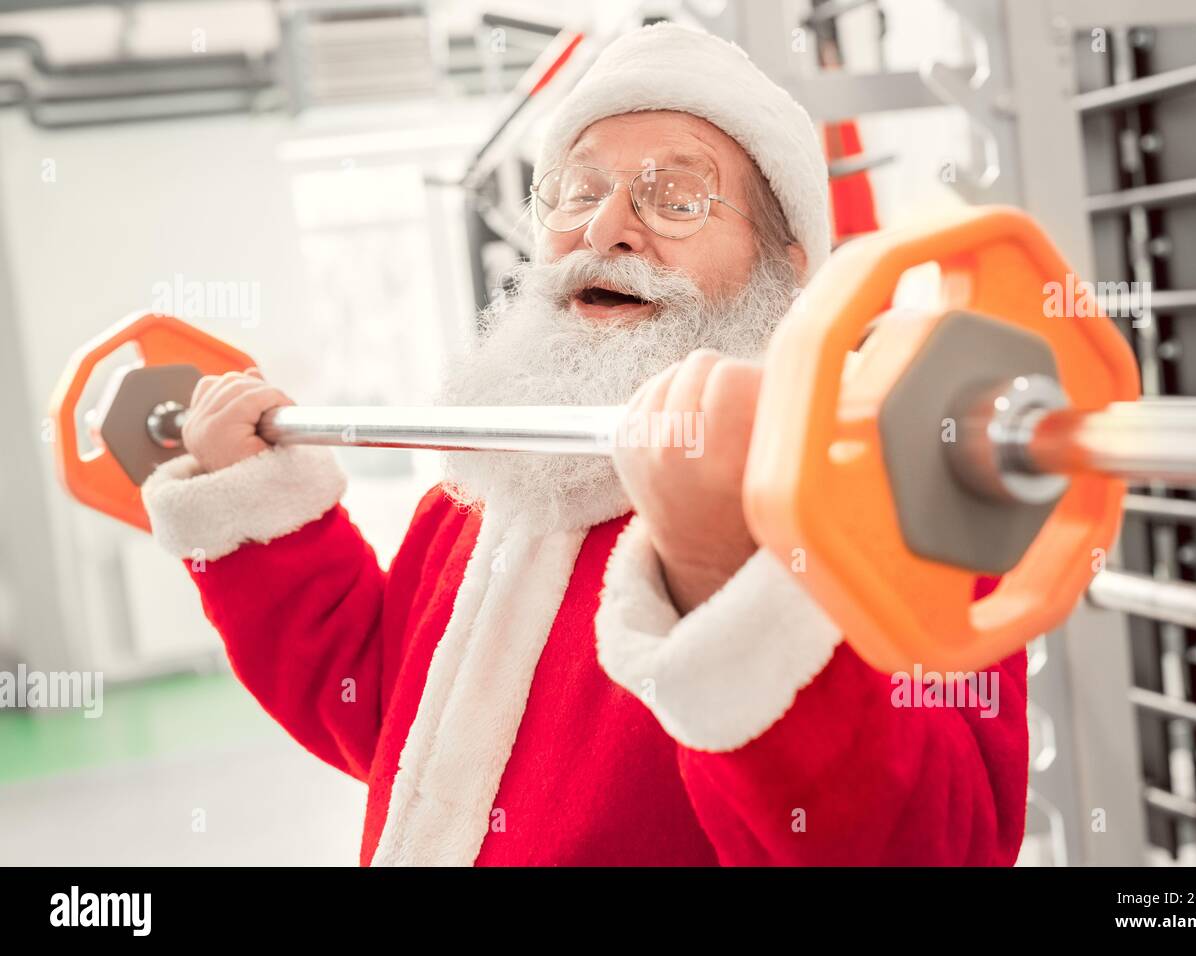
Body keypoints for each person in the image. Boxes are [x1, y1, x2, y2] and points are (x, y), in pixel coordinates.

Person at [142, 21, 1028, 866]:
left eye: (676, 196)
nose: (603, 228)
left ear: (784, 269)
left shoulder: (893, 505)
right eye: (576, 190)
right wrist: (260, 515)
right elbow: (383, 717)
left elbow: (929, 850)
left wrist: (725, 576)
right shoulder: (491, 492)